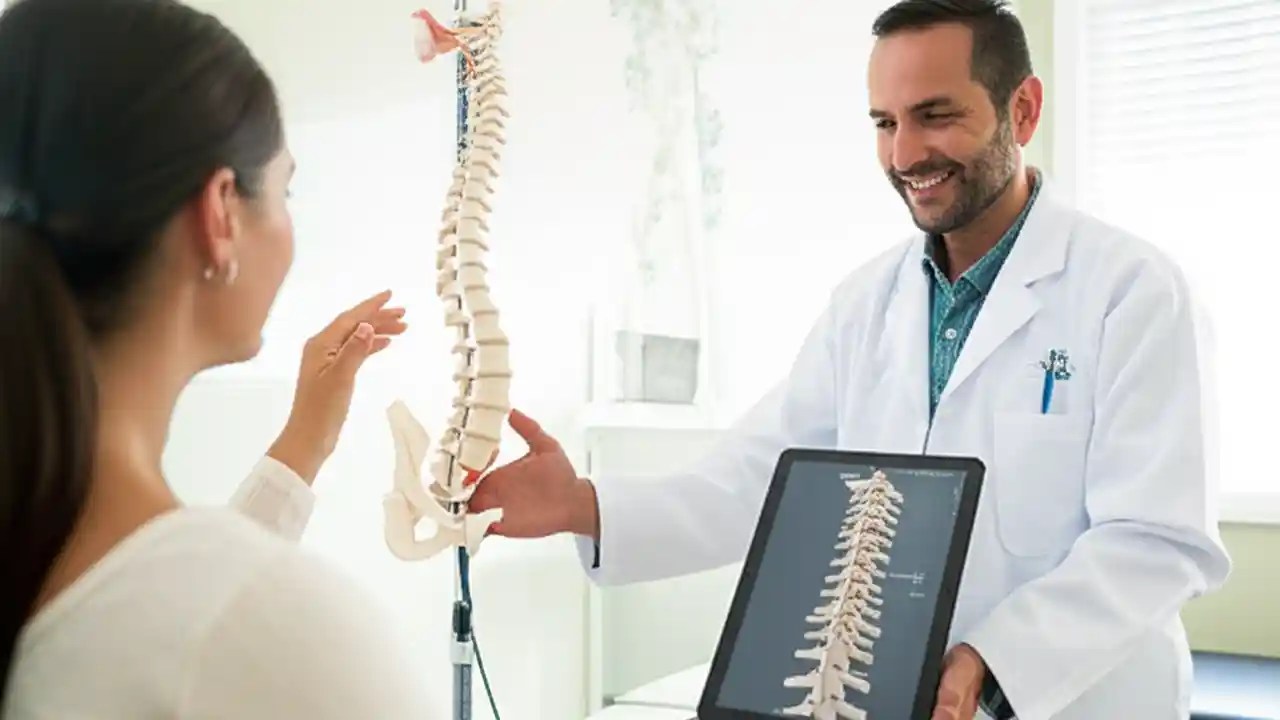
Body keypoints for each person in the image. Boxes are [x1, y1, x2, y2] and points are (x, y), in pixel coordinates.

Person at [471, 1, 1232, 718]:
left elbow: (1156, 540)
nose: (905, 154)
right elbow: (762, 480)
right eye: (885, 123)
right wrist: (582, 506)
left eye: (936, 116)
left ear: (1023, 110)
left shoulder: (1131, 292)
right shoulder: (866, 304)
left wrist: (993, 660)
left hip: (1077, 700)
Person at [0, 0, 438, 716]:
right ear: (221, 213)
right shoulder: (276, 630)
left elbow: (152, 623)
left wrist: (303, 444)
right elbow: (203, 630)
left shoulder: (47, 562)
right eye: (286, 189)